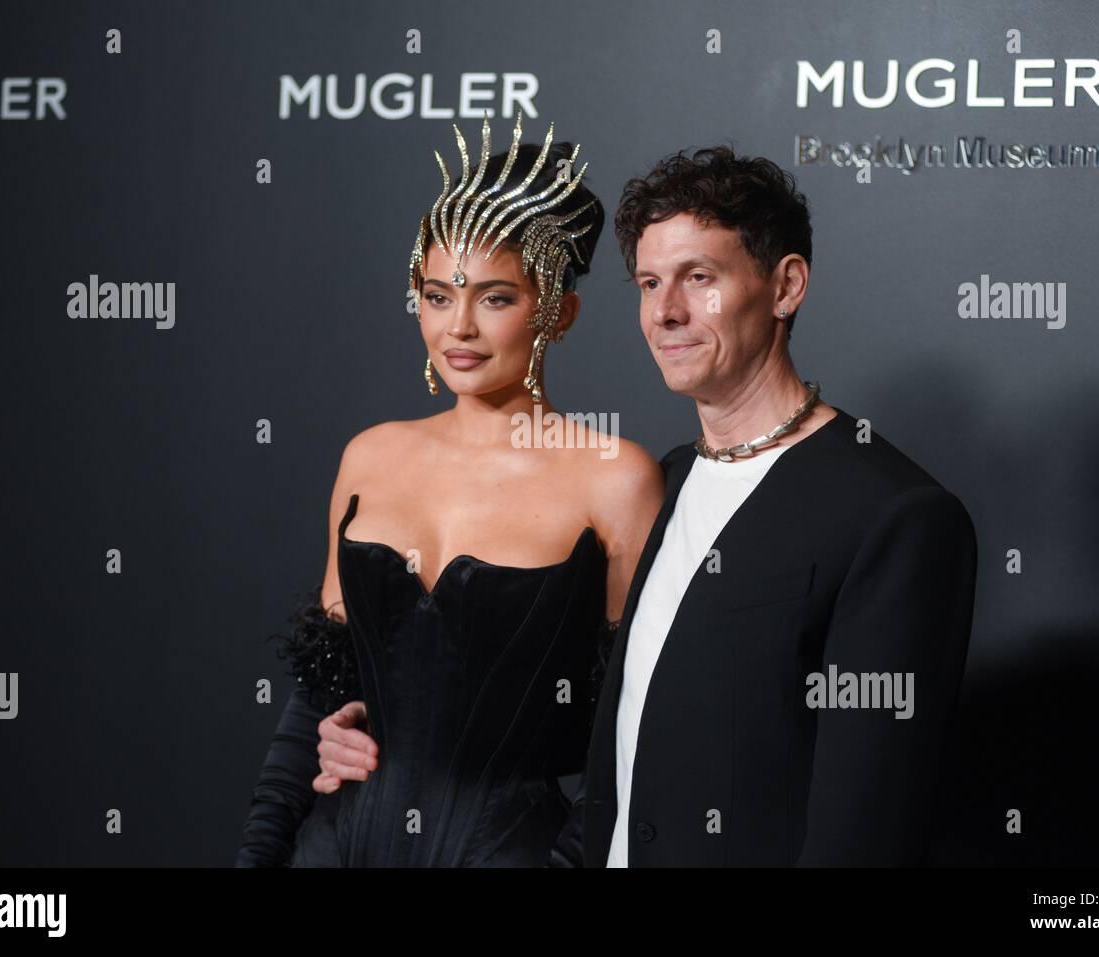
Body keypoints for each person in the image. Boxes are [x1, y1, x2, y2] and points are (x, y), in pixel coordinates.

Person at [314, 145, 978, 867]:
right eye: (650, 282)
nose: (666, 311)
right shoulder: (667, 480)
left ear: (786, 285)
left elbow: (865, 829)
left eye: (700, 278)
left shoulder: (894, 514)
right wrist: (380, 718)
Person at [235, 112, 664, 867]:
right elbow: (314, 704)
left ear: (557, 312)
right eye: (437, 295)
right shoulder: (370, 456)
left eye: (495, 298)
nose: (458, 327)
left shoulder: (616, 477)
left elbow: (634, 736)